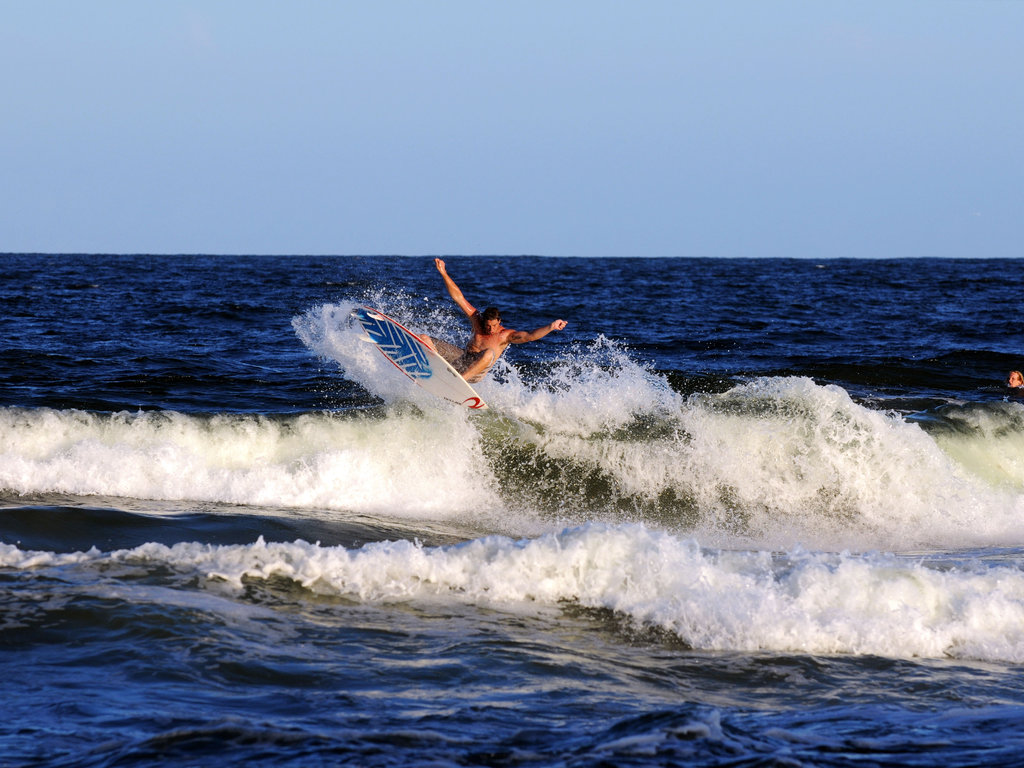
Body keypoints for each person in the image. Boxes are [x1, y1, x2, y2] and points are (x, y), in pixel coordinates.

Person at [424, 258, 567, 382]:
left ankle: (460, 381)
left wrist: (551, 326)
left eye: (493, 326)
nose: (490, 329)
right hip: (462, 360)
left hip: (475, 375)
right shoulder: (477, 320)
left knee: (488, 353)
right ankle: (430, 369)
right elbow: (459, 297)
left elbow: (530, 336)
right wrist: (443, 272)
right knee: (424, 339)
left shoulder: (505, 335)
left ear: (499, 321)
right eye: (487, 326)